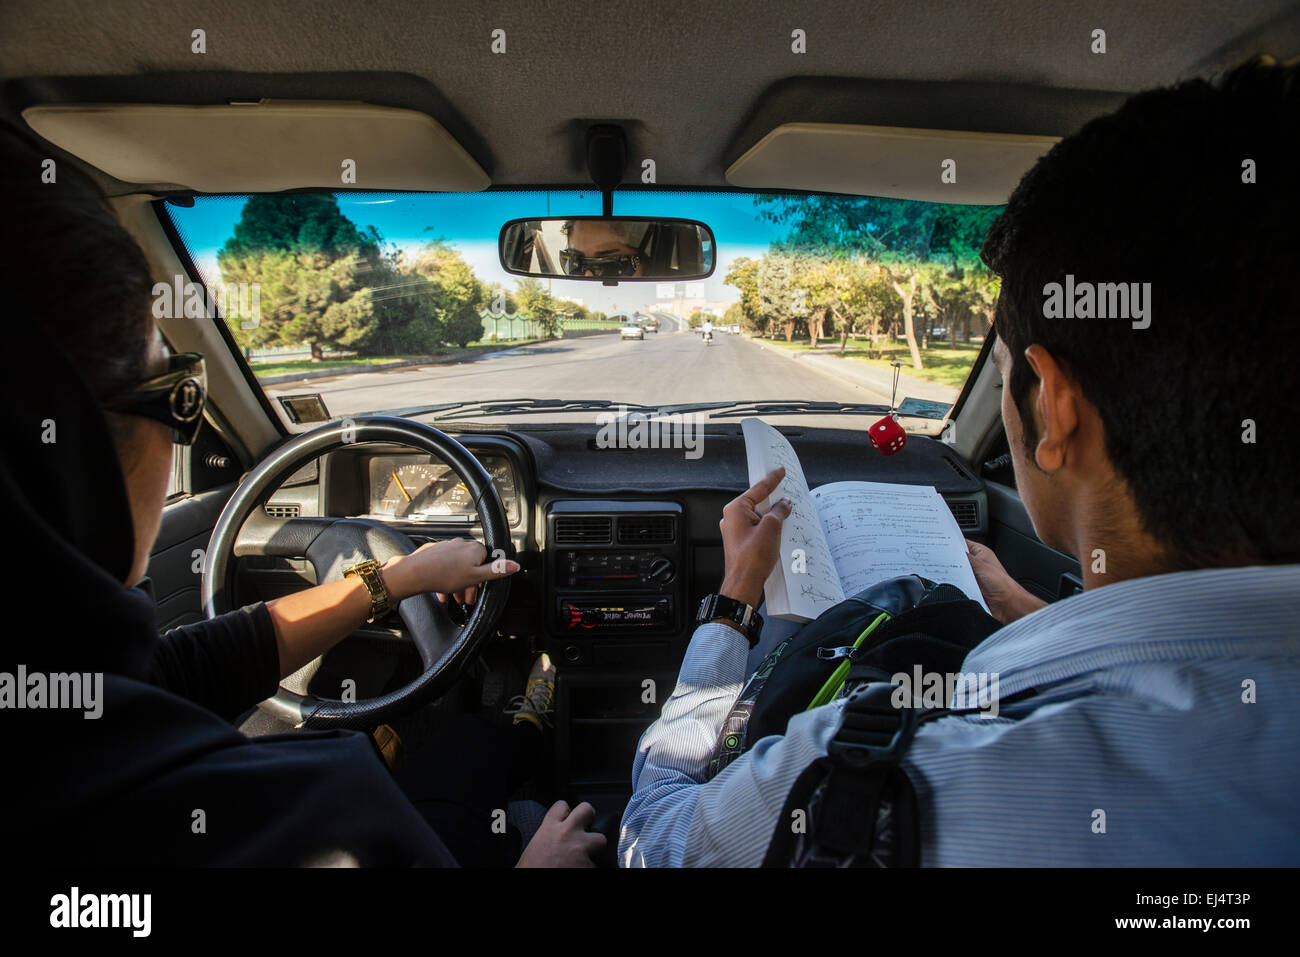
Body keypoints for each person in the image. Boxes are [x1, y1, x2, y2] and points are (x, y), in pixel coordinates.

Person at [620, 56, 1300, 867]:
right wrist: (1015, 600)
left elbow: (653, 834)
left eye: (1006, 374)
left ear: (1052, 406)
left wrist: (733, 603)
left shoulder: (883, 770)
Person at [0, 121, 605, 867]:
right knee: (471, 740)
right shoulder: (317, 821)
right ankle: (523, 727)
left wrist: (404, 572)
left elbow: (180, 669)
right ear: (74, 453)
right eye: (181, 394)